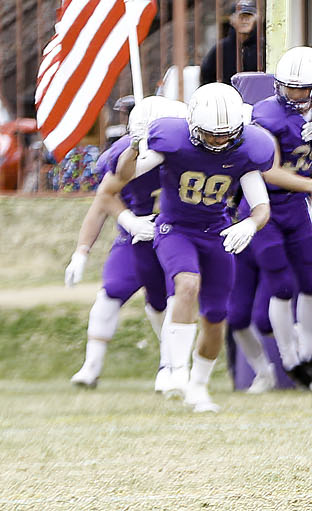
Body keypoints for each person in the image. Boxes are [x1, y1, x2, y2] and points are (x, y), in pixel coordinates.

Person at [99, 83, 276, 412]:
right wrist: (135, 147)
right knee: (187, 284)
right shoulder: (173, 140)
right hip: (176, 228)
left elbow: (261, 206)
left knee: (216, 316)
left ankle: (198, 387)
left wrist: (250, 225)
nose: (219, 142)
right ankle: (176, 370)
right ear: (194, 126)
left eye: (226, 135)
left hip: (217, 232)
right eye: (211, 135)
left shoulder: (249, 148)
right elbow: (124, 175)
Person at [65, 97, 184, 390]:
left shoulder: (190, 152)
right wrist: (83, 250)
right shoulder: (123, 154)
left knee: (167, 302)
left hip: (180, 234)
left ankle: (170, 364)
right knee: (110, 294)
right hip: (136, 236)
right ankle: (91, 368)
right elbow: (103, 200)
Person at [247, 46, 312, 392]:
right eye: (288, 88)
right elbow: (269, 170)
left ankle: (309, 354)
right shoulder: (267, 115)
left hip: (298, 205)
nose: (292, 96)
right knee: (281, 284)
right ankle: (292, 362)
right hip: (264, 204)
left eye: (301, 89)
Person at [198, 0, 261, 86]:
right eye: (241, 16)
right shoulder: (221, 49)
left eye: (249, 16)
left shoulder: (264, 48)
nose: (245, 20)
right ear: (231, 20)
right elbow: (206, 78)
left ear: (256, 19)